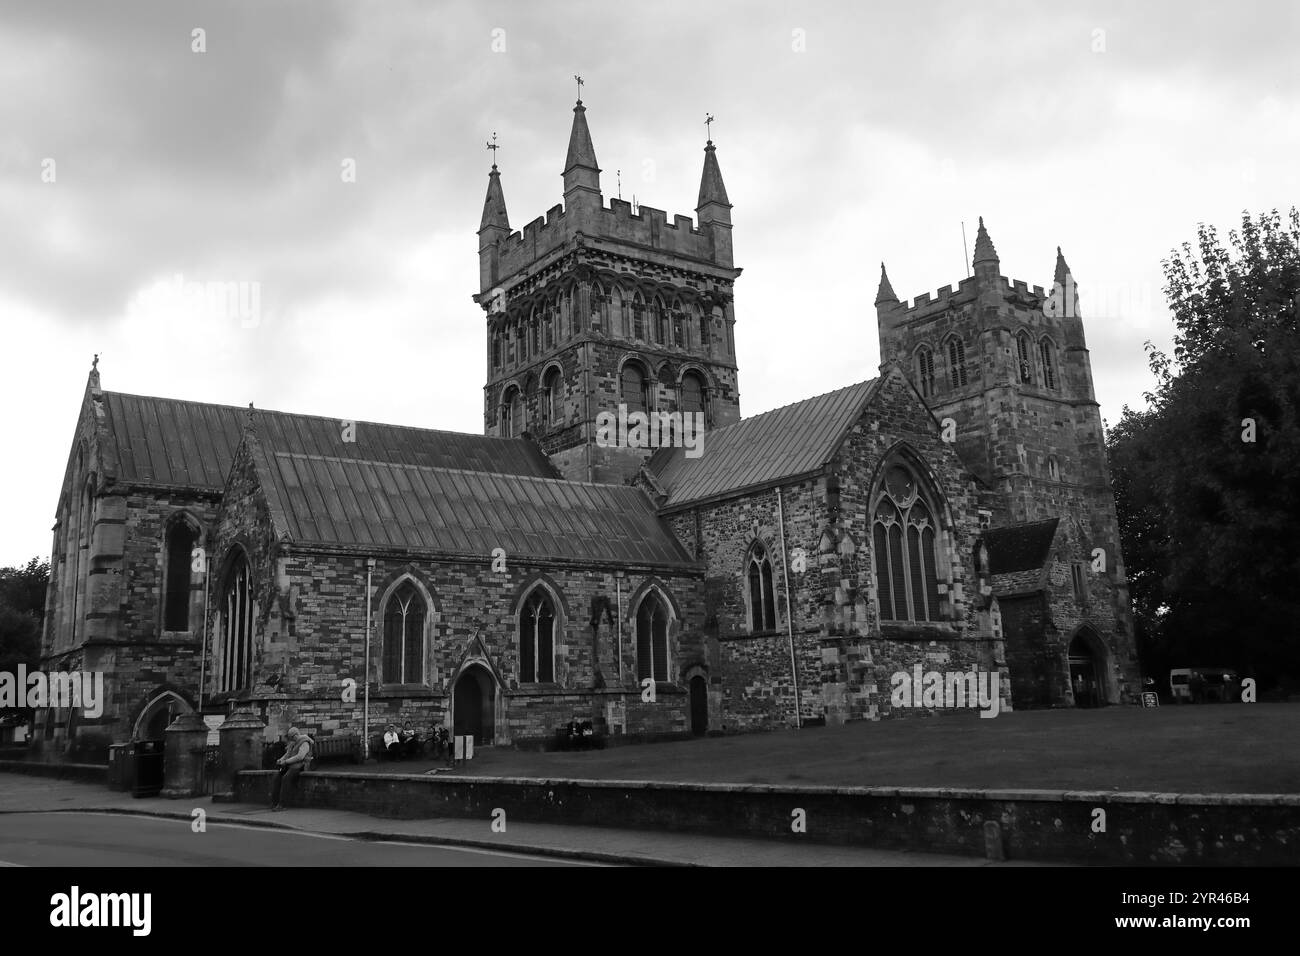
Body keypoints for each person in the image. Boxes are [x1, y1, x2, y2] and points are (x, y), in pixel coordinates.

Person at [270, 727, 314, 810]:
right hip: (292, 765)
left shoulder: (304, 742)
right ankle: (274, 802)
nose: (292, 739)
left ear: (297, 734)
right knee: (277, 777)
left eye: (293, 737)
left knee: (286, 778)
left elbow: (300, 757)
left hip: (301, 765)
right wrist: (281, 760)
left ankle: (282, 804)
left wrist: (286, 762)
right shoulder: (293, 743)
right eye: (291, 738)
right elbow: (288, 754)